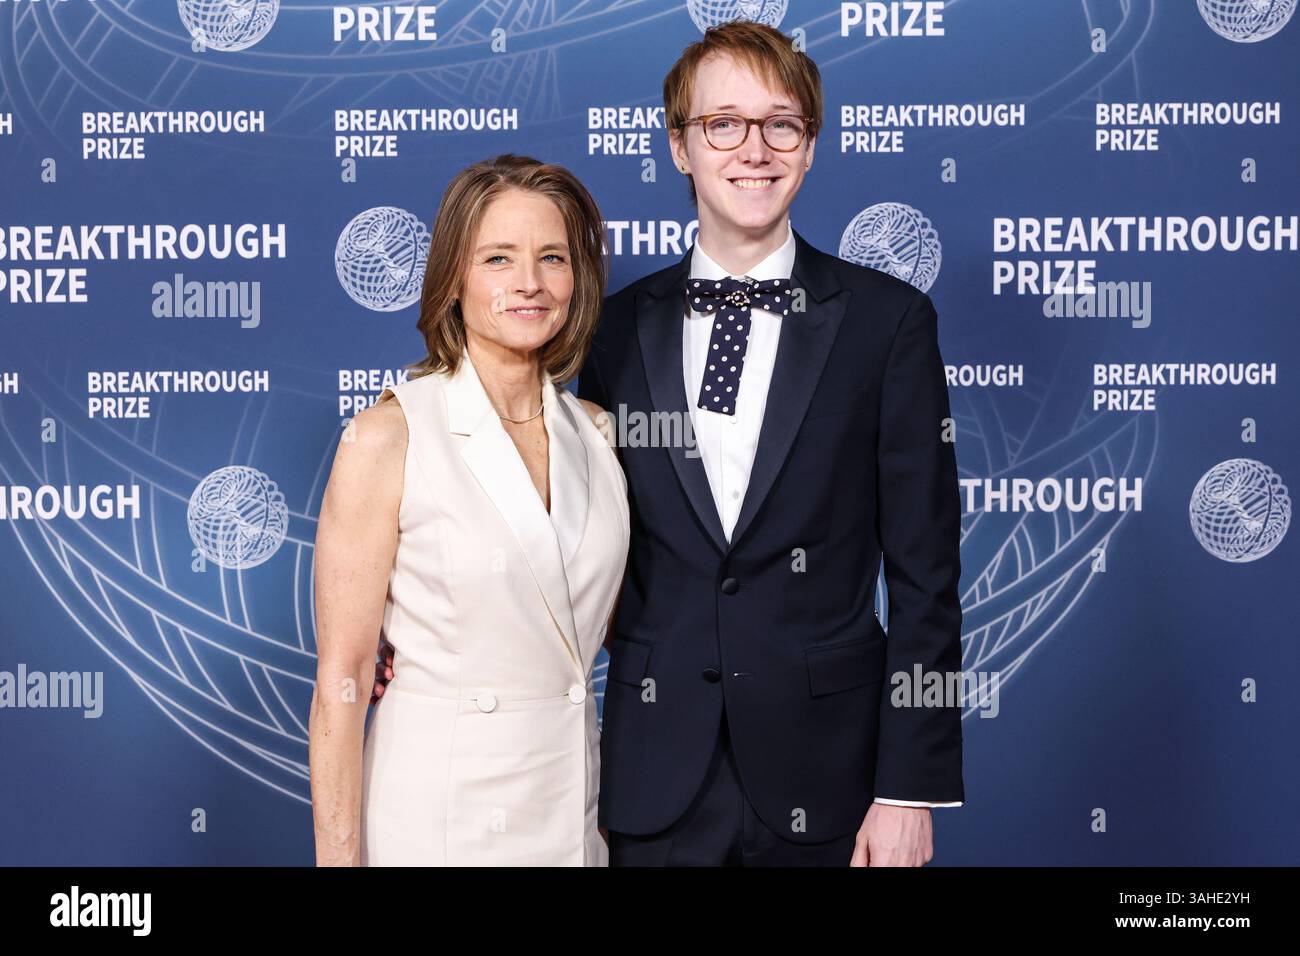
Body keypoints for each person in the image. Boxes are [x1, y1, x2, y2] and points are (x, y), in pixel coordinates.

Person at [375, 19, 964, 867]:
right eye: (722, 123)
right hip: (650, 781)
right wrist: (429, 647)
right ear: (681, 147)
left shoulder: (889, 323)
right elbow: (565, 530)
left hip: (831, 779)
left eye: (782, 125)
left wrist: (907, 787)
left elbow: (927, 575)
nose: (753, 149)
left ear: (810, 146)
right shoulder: (609, 330)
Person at [310, 154, 628, 866]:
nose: (529, 283)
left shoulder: (600, 435)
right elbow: (343, 681)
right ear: (455, 276)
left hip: (574, 819)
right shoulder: (390, 435)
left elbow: (617, 630)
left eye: (553, 257)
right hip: (439, 821)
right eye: (498, 258)